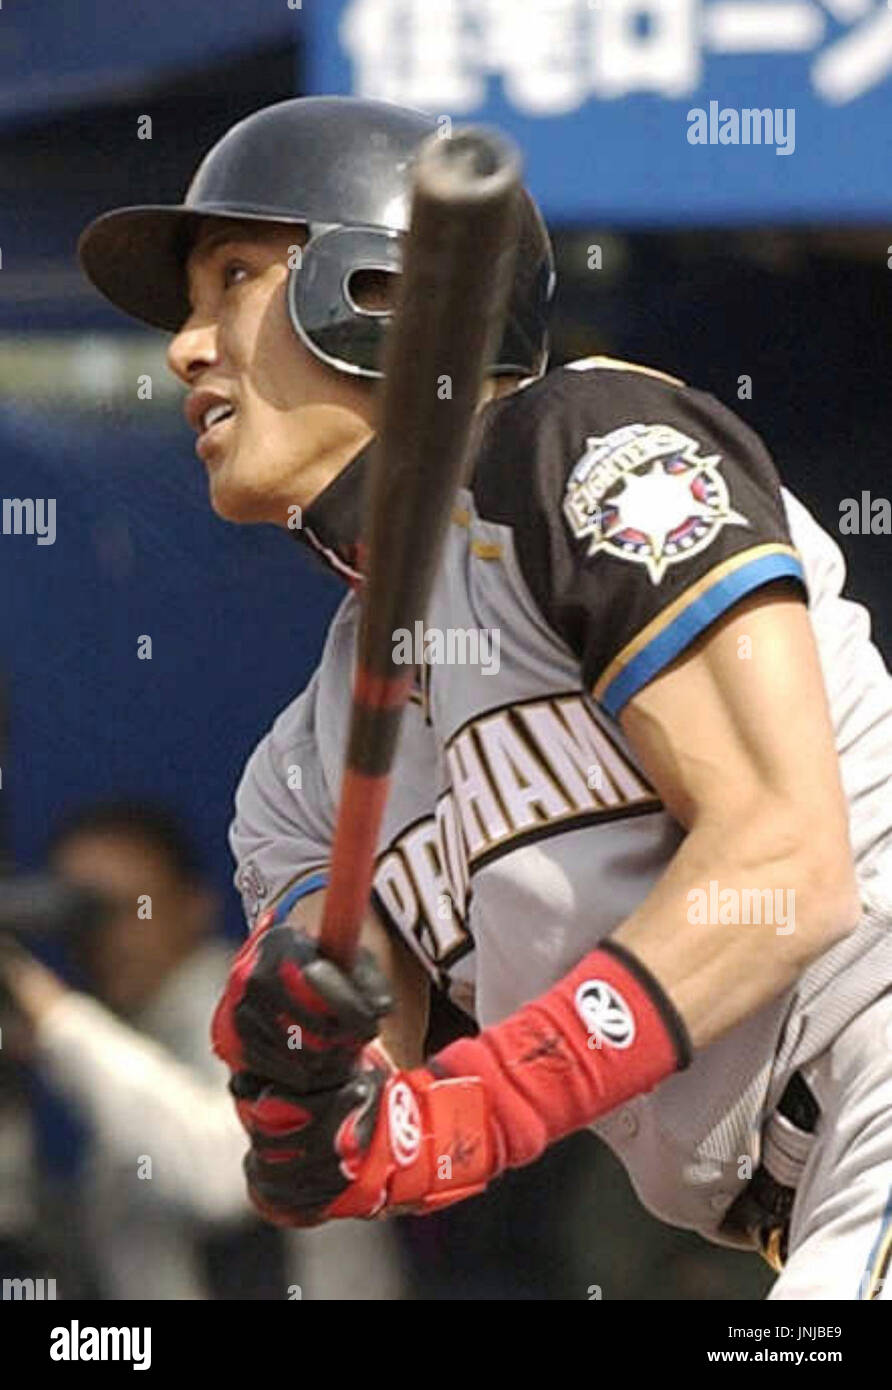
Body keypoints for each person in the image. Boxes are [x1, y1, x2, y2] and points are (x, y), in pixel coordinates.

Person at [78, 96, 892, 1300]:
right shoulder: (296, 775)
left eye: (235, 278)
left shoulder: (586, 443)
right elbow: (359, 1129)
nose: (186, 349)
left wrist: (481, 1105)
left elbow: (786, 866)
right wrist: (294, 1077)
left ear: (374, 291)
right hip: (798, 1198)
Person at [0, 799, 405, 1299]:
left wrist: (55, 1018)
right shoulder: (121, 1049)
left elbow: (221, 1179)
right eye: (82, 917)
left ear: (194, 904)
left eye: (125, 909)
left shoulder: (266, 1009)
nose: (104, 938)